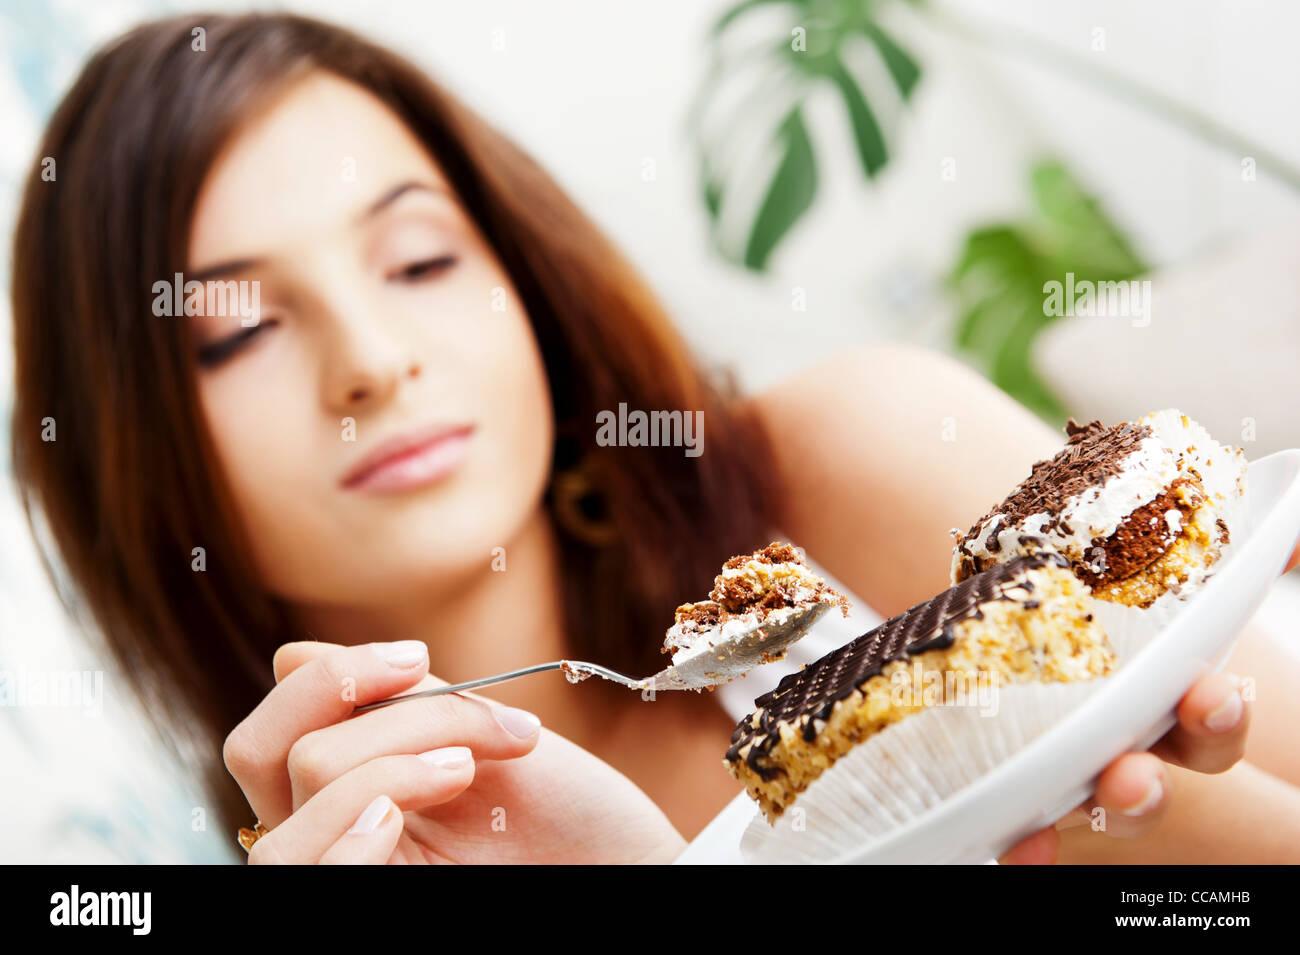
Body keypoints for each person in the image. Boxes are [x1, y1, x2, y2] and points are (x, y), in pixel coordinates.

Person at [10, 12, 1300, 865]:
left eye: (418, 260)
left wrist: (1110, 818)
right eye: (238, 332)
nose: (370, 360)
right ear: (132, 459)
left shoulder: (843, 461)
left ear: (522, 280)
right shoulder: (349, 849)